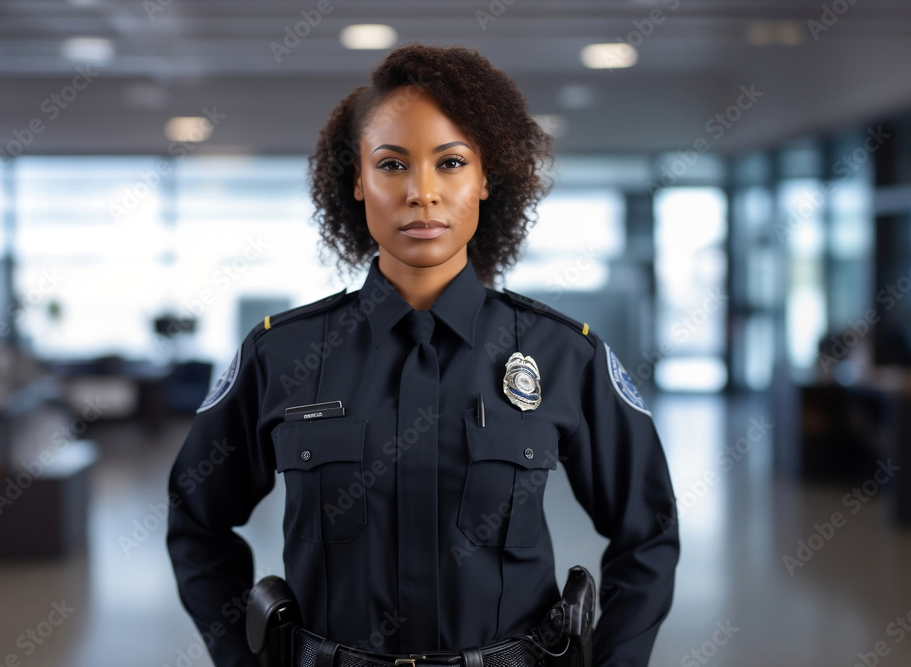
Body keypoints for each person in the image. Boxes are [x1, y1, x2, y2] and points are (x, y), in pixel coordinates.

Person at [166, 42, 680, 667]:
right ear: (357, 180)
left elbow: (648, 534)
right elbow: (197, 519)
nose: (422, 192)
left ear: (488, 177)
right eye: (391, 165)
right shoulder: (281, 354)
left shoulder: (562, 355)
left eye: (451, 163)